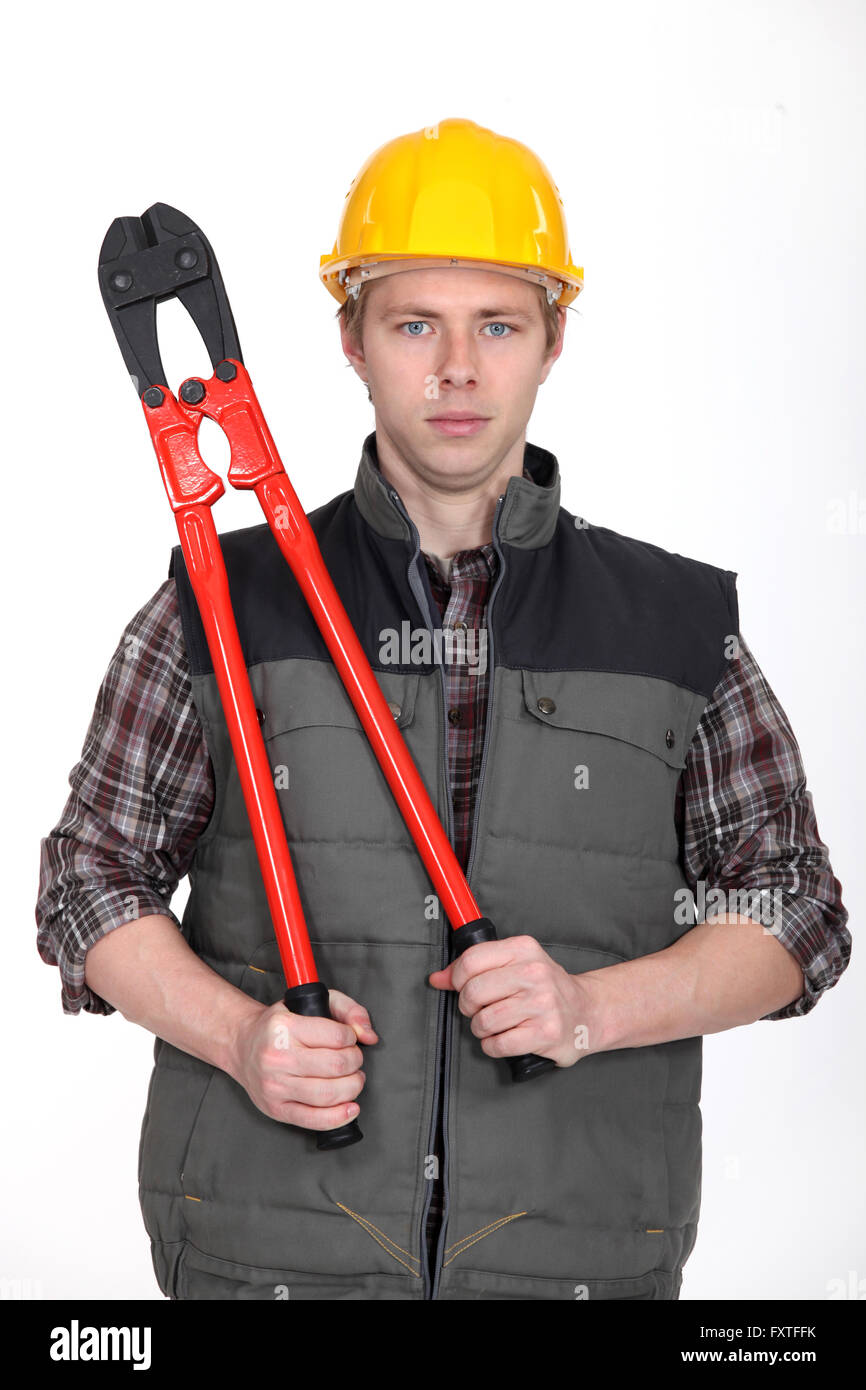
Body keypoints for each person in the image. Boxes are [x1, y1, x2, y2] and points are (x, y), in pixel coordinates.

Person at [37, 117, 850, 1301]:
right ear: (352, 341)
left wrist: (588, 1009)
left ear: (552, 340)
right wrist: (240, 1037)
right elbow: (86, 880)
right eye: (414, 323)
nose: (456, 369)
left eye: (497, 326)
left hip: (577, 1271)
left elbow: (795, 913)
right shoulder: (219, 604)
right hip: (263, 1266)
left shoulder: (673, 626)